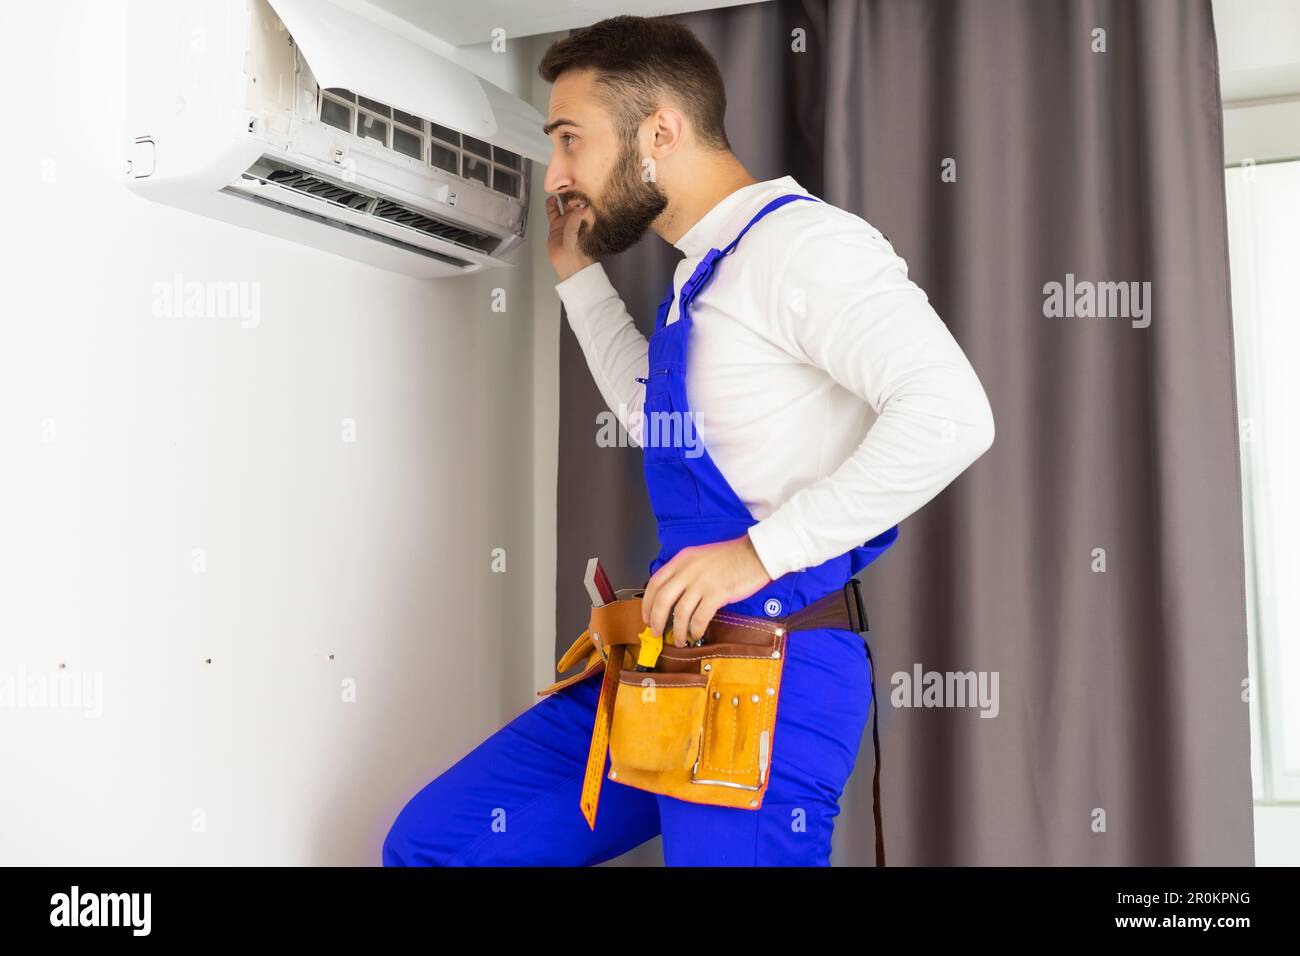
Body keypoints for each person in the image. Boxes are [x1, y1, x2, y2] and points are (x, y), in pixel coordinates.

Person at [382, 14, 994, 867]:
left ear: (659, 130)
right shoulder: (703, 272)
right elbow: (659, 422)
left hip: (769, 680)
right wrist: (579, 280)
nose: (554, 172)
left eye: (569, 138)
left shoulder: (802, 246)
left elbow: (952, 415)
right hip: (670, 665)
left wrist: (754, 554)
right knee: (439, 844)